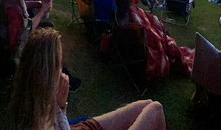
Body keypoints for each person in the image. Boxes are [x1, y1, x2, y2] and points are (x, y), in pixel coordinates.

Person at [9, 28, 167, 130]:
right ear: (44, 74)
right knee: (155, 109)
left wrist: (59, 106)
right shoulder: (35, 122)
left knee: (147, 104)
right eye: (59, 65)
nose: (62, 70)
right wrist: (61, 109)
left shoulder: (35, 98)